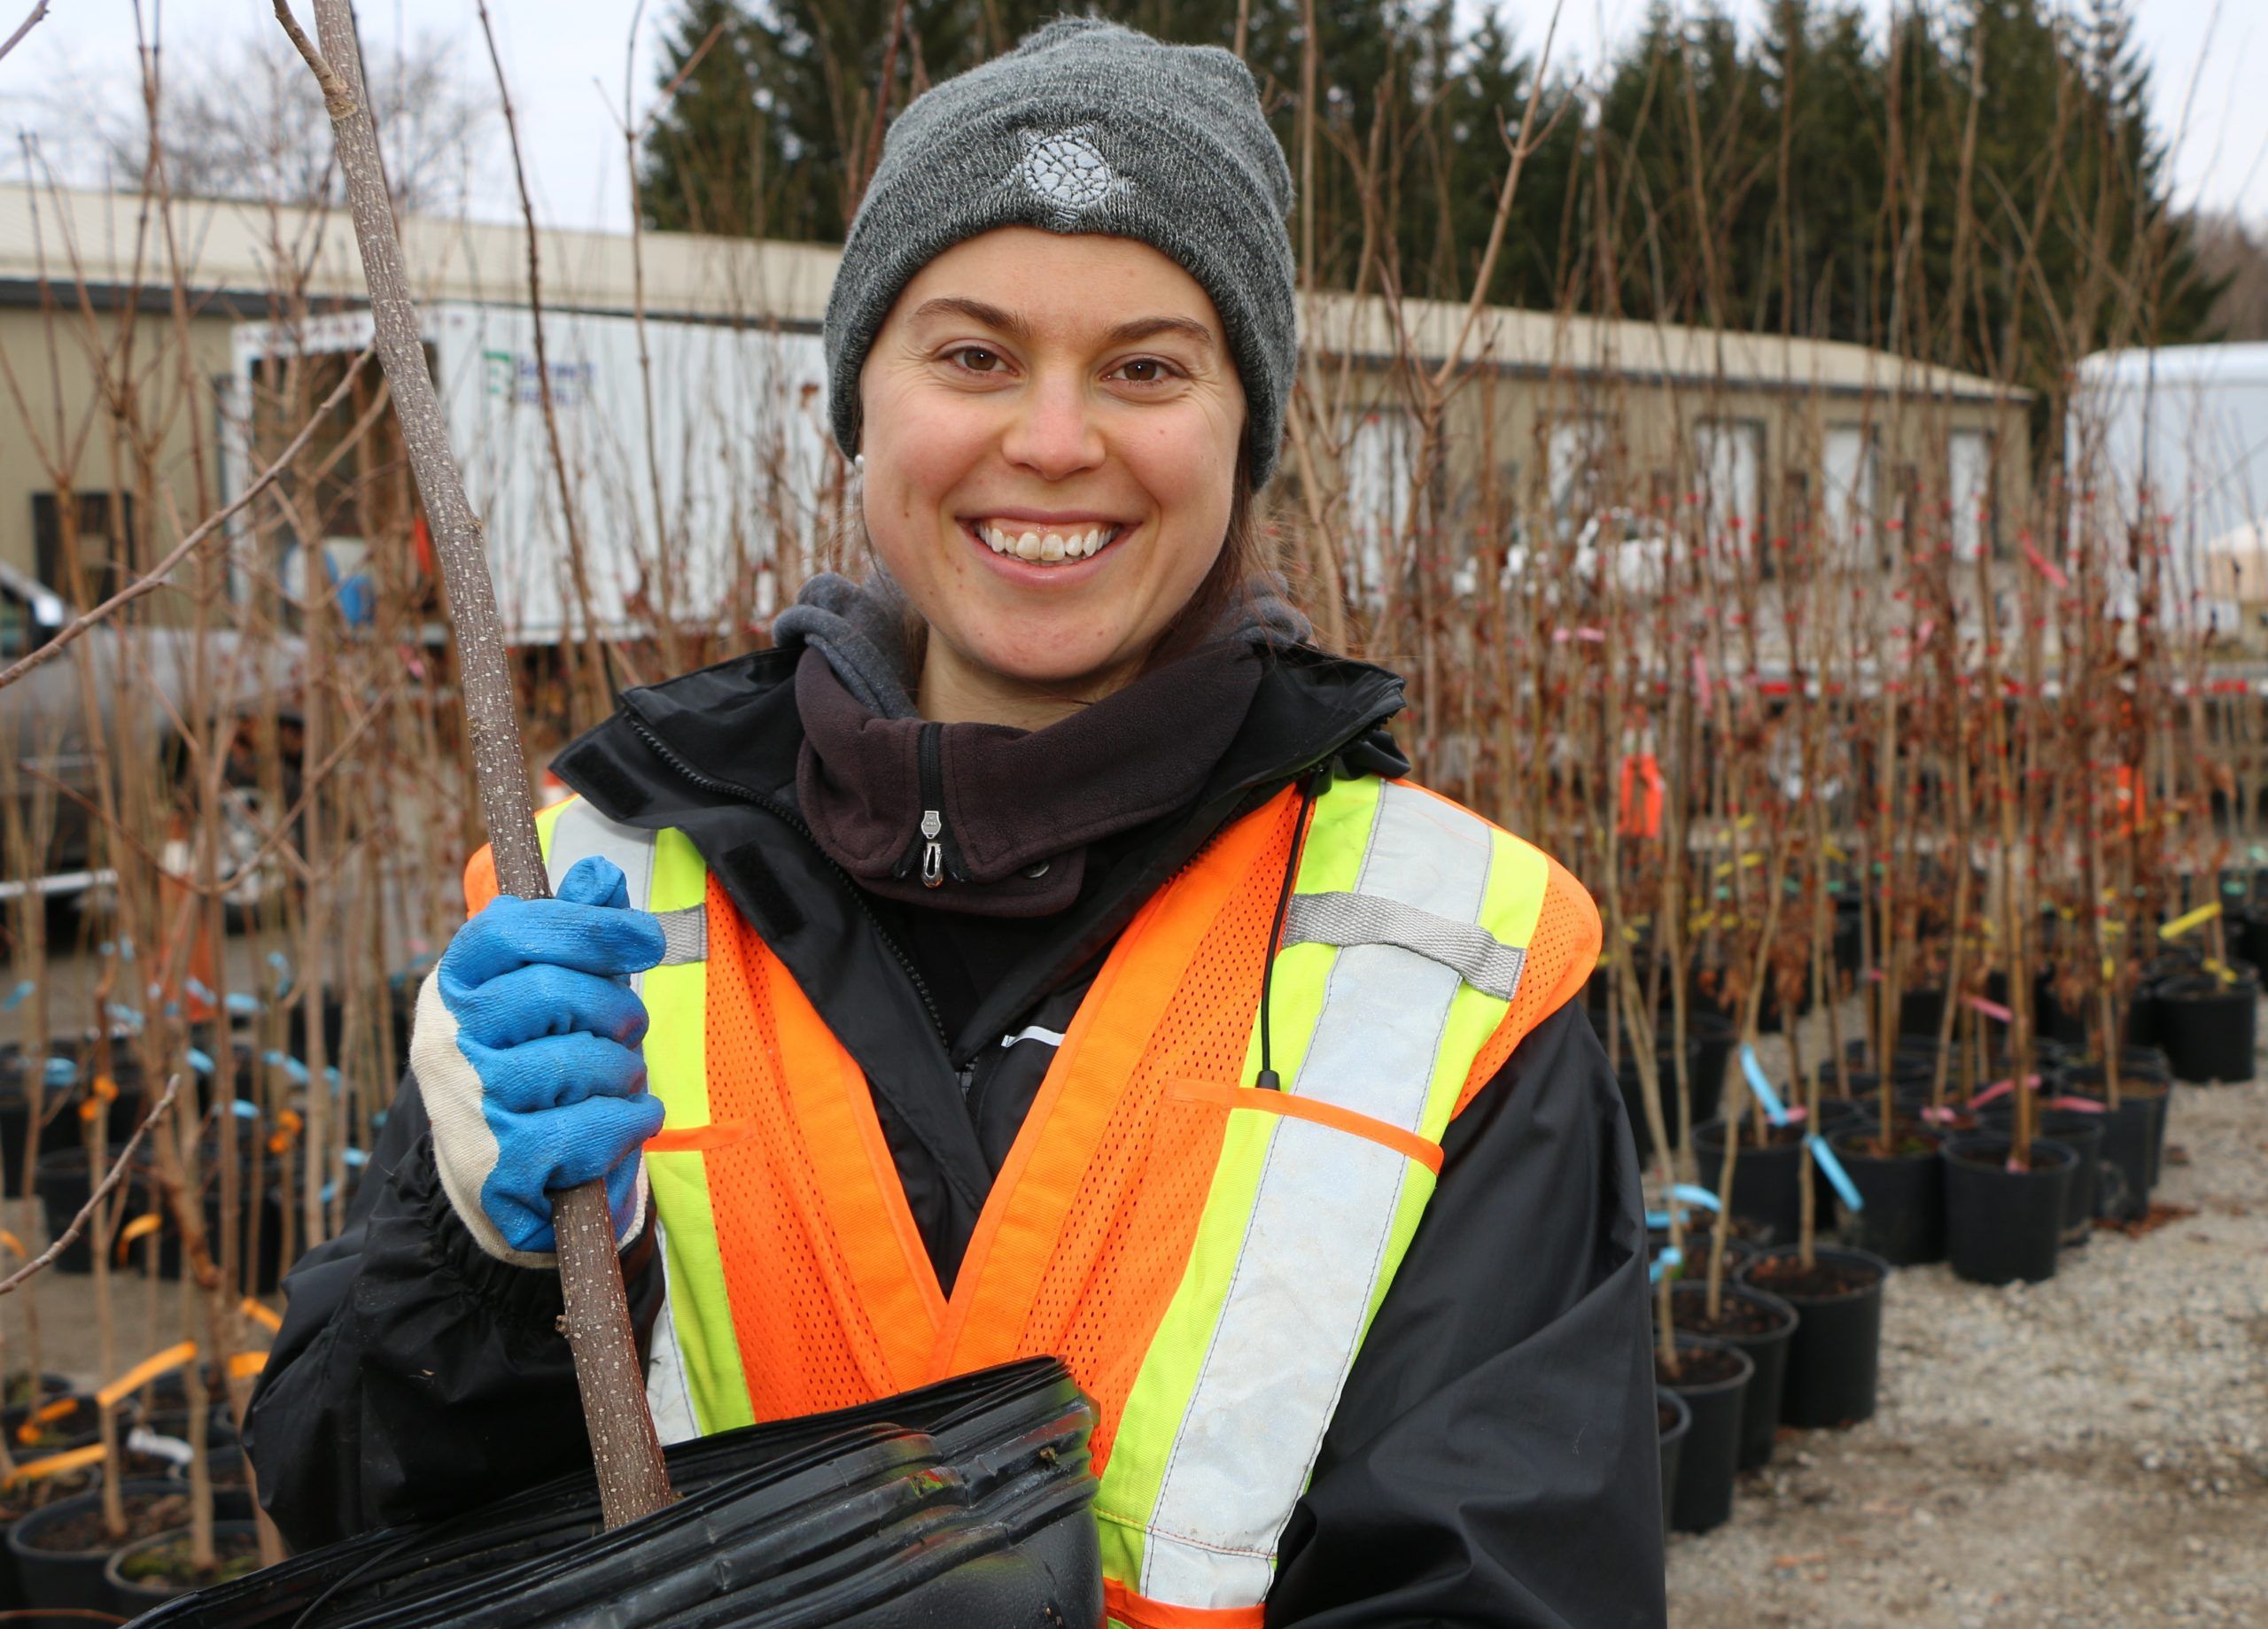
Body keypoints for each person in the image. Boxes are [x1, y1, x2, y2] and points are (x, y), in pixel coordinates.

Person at [246, 19, 1665, 1626]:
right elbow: (350, 1515)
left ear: (1245, 430)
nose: (1052, 441)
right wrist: (484, 1275)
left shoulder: (1450, 959)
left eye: (1146, 366)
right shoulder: (596, 884)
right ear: (862, 403)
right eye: (974, 356)